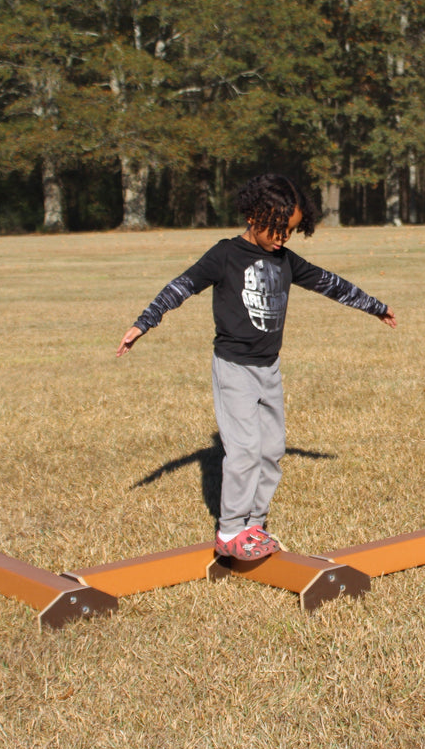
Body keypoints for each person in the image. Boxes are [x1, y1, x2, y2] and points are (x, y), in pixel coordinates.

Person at [117, 173, 397, 561]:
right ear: (254, 215)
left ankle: (254, 524)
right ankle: (230, 530)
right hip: (234, 368)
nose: (282, 238)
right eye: (277, 229)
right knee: (245, 448)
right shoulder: (224, 255)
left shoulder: (284, 260)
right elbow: (181, 286)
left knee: (272, 449)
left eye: (291, 232)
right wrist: (144, 322)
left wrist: (374, 306)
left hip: (269, 368)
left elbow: (328, 283)